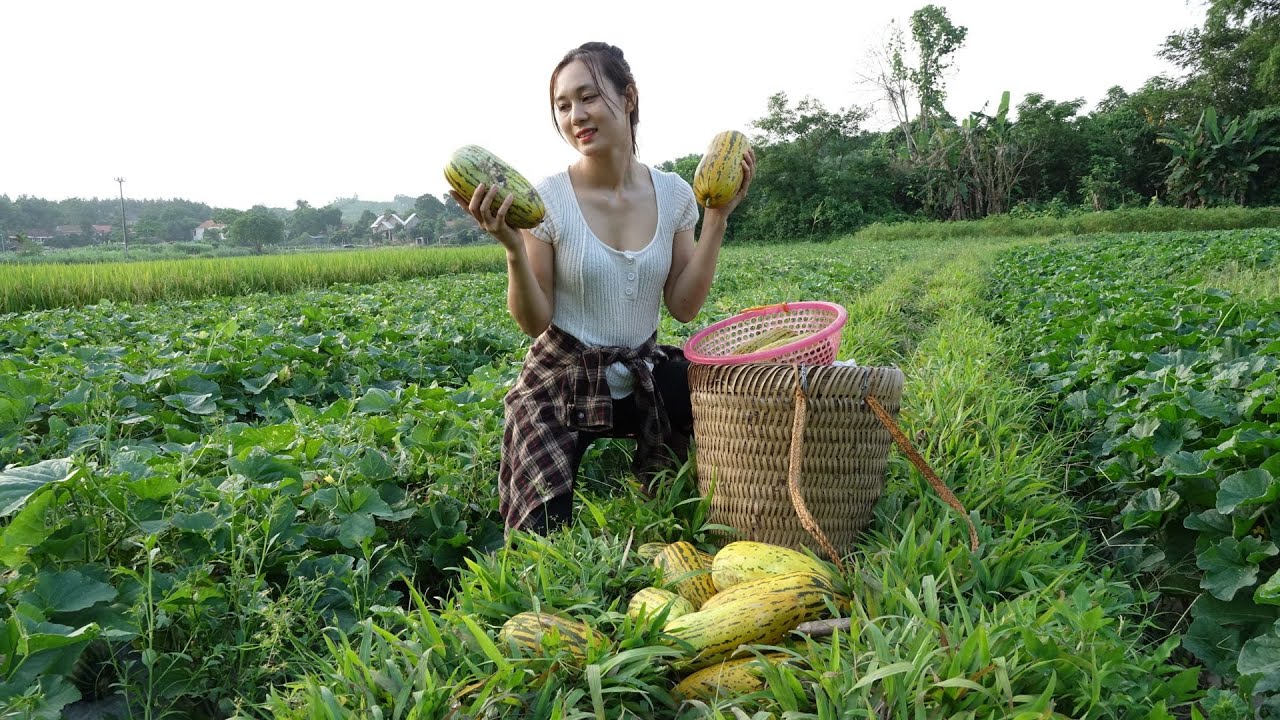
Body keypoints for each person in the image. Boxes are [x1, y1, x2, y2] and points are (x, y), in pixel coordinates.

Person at [450, 41, 754, 535]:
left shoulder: (677, 193)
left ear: (629, 97)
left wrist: (716, 218)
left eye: (588, 97)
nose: (576, 116)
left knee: (707, 455)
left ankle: (690, 508)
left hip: (641, 371)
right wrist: (511, 248)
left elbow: (683, 306)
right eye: (563, 105)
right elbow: (534, 320)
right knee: (541, 537)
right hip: (563, 378)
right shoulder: (545, 200)